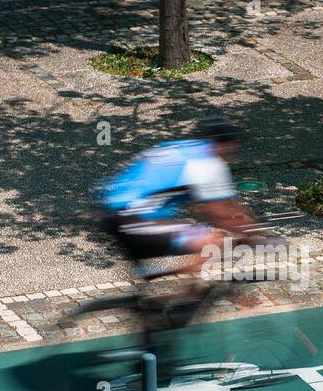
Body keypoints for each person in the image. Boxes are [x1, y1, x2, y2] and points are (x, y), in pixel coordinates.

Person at [99, 115, 259, 338]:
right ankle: (178, 303)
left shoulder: (180, 148)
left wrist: (242, 222)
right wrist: (254, 234)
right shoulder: (207, 162)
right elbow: (220, 212)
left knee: (197, 236)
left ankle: (152, 294)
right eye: (232, 145)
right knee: (211, 241)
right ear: (224, 143)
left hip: (115, 213)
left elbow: (214, 204)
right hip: (132, 220)